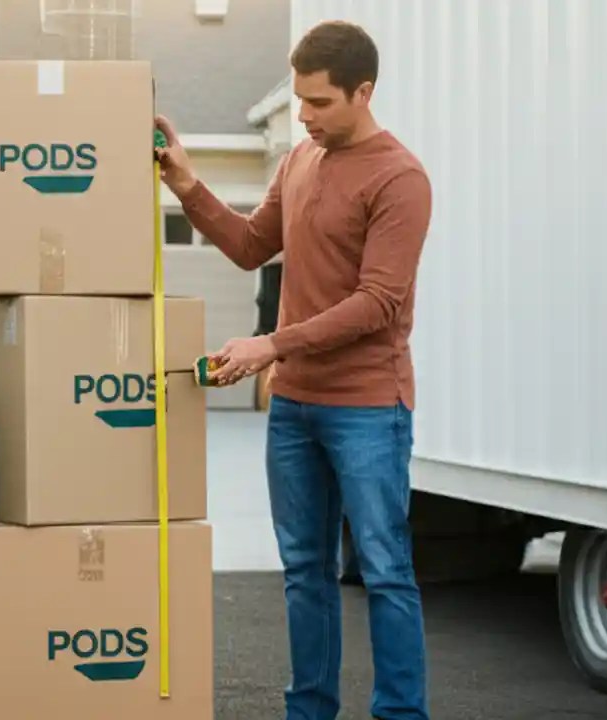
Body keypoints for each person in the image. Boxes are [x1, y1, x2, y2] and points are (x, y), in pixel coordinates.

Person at [155, 19, 432, 720]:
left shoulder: (400, 178)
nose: (303, 116)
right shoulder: (299, 161)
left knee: (386, 572)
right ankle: (310, 710)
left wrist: (271, 345)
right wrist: (187, 185)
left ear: (362, 92)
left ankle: (402, 713)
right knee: (304, 574)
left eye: (318, 103)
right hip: (296, 407)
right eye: (300, 101)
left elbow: (378, 302)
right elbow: (251, 246)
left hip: (369, 407)